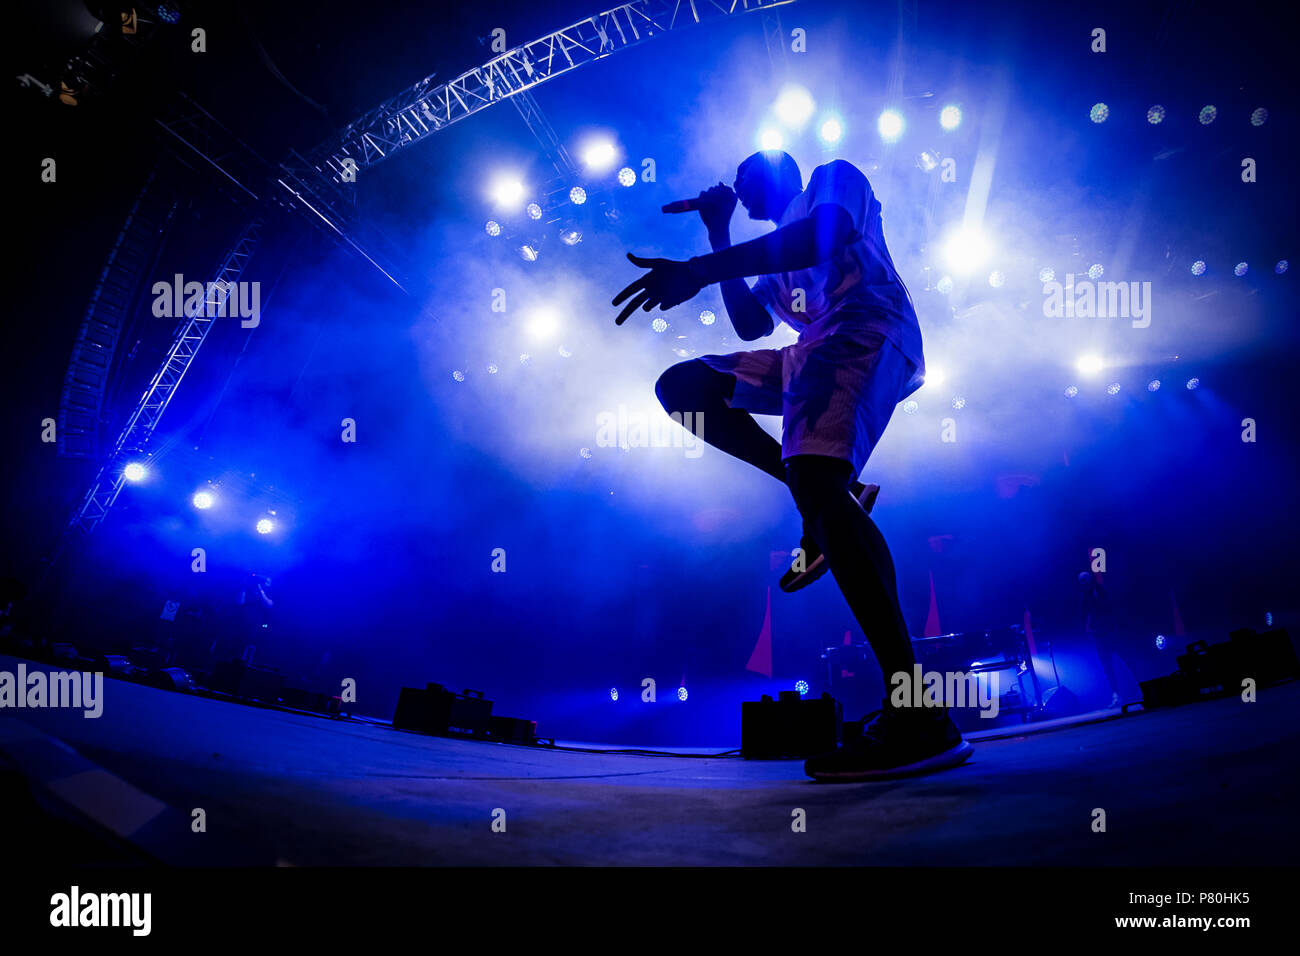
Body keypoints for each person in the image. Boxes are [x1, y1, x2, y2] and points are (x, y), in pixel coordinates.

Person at [612, 150, 972, 779]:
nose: (738, 184)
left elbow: (816, 241)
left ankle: (918, 715)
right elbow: (751, 325)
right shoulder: (771, 257)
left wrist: (698, 268)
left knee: (817, 481)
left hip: (865, 331)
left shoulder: (831, 182)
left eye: (748, 175)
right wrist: (717, 231)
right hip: (809, 353)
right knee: (683, 387)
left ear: (781, 171)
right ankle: (831, 493)